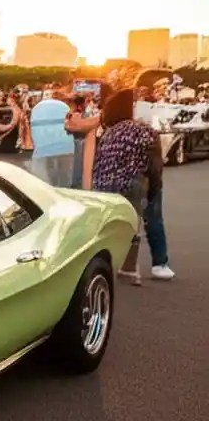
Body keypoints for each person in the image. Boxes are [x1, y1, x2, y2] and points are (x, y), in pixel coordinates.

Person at [91, 90, 162, 286]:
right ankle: (130, 270)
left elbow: (99, 163)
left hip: (104, 185)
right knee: (132, 226)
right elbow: (154, 164)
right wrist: (155, 188)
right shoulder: (144, 130)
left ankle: (109, 264)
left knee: (109, 227)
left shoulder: (108, 134)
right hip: (132, 182)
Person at [28, 87, 74, 186]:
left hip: (42, 152)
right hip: (66, 149)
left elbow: (33, 132)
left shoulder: (37, 109)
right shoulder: (66, 108)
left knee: (46, 184)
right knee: (65, 182)